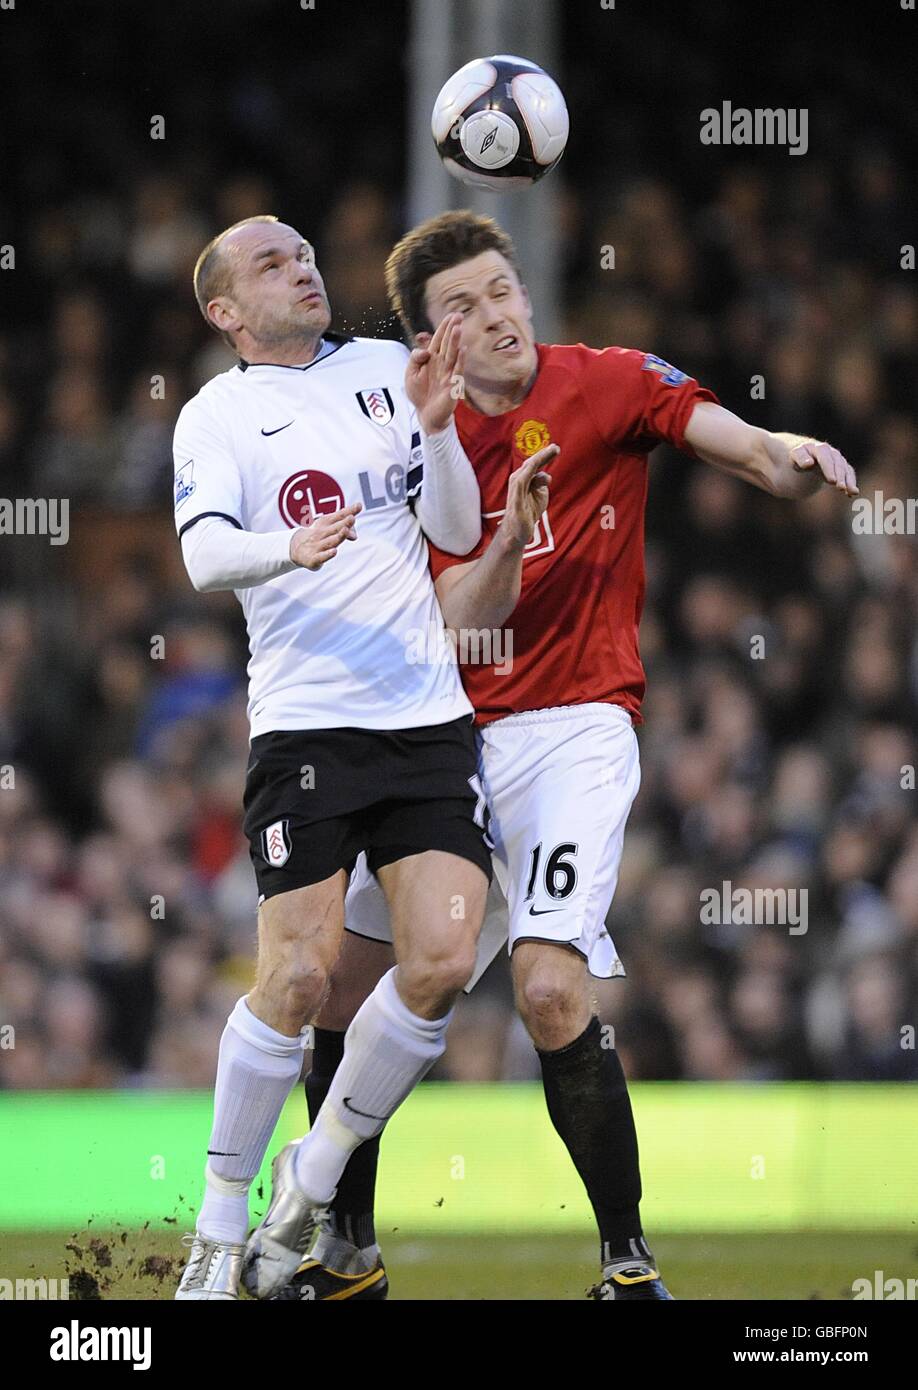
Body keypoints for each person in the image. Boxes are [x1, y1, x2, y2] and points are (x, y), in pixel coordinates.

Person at [275, 210, 858, 1302]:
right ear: (433, 339)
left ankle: (626, 1266)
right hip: (444, 734)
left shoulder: (611, 383)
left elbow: (740, 444)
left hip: (574, 730)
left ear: (526, 291)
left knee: (548, 987)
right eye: (464, 306)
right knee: (345, 990)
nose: (495, 313)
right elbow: (457, 619)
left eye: (503, 289)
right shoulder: (419, 441)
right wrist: (505, 532)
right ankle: (345, 1252)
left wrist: (791, 460)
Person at [171, 213, 550, 1300]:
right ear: (227, 311)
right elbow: (202, 555)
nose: (302, 267)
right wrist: (285, 546)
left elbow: (456, 522)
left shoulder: (391, 367)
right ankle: (215, 1227)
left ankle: (317, 1172)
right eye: (271, 263)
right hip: (307, 727)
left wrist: (434, 428)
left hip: (426, 722)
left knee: (436, 963)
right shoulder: (219, 415)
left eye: (302, 251)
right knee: (296, 975)